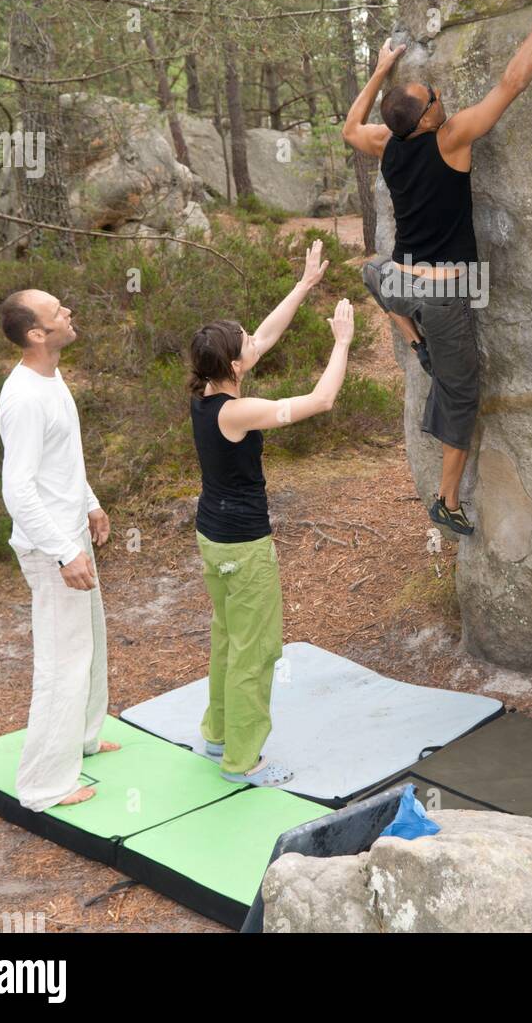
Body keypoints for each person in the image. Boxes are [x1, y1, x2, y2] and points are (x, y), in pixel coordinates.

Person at [343, 0, 532, 536]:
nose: (439, 96)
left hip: (400, 284)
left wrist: (380, 69)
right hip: (441, 294)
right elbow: (514, 81)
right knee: (461, 395)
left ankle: (414, 343)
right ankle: (446, 499)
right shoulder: (452, 137)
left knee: (371, 271)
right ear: (430, 118)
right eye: (433, 96)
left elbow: (348, 127)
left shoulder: (389, 142)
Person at [188, 240, 354, 787]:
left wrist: (304, 285)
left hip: (212, 537)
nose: (254, 342)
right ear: (235, 365)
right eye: (245, 345)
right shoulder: (241, 413)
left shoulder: (206, 394)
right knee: (254, 652)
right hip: (243, 544)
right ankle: (244, 760)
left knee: (225, 637)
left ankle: (216, 736)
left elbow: (265, 334)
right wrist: (342, 343)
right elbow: (321, 400)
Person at [0, 289, 114, 812]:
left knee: (92, 643)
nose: (70, 314)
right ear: (36, 335)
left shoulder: (53, 375)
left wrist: (89, 504)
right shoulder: (23, 397)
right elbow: (17, 489)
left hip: (71, 533)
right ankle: (45, 784)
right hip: (52, 550)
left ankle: (84, 739)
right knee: (61, 662)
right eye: (58, 312)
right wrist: (64, 553)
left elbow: (62, 459)